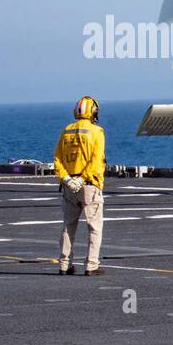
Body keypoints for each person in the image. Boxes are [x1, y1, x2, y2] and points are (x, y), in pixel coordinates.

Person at [53, 95, 107, 276]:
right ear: (93, 111)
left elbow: (58, 159)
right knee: (94, 227)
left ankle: (64, 264)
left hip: (69, 187)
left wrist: (67, 179)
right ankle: (91, 266)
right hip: (89, 185)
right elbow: (96, 161)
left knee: (68, 226)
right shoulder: (96, 132)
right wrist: (82, 179)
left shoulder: (66, 131)